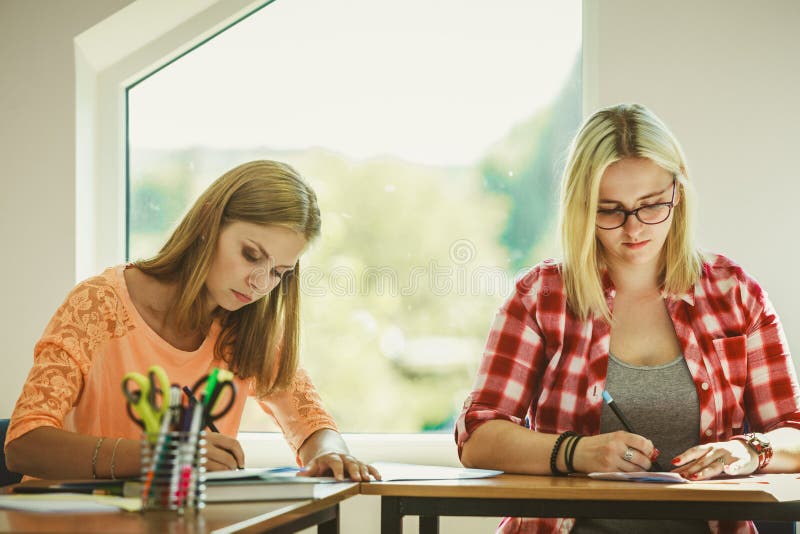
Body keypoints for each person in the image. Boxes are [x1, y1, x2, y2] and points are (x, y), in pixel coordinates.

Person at [455, 104, 800, 533]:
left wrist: (747, 450)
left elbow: (794, 432)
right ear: (581, 207)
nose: (634, 229)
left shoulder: (735, 295)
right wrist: (576, 452)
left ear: (679, 193)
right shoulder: (541, 297)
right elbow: (477, 436)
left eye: (652, 205)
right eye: (610, 210)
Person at [5, 160, 380, 482]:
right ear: (208, 224)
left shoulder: (248, 329)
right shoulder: (98, 304)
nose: (261, 283)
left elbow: (313, 425)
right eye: (251, 255)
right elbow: (24, 443)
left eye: (279, 272)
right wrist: (165, 457)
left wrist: (332, 453)